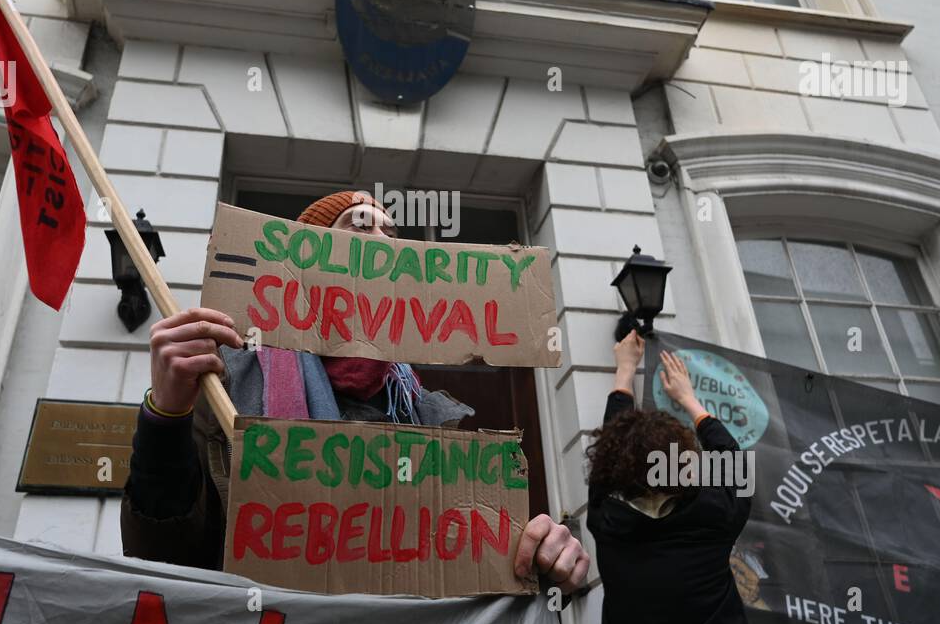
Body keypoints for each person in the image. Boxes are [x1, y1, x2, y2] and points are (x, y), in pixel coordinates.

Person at [120, 190, 589, 596]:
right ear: (303, 267)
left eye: (392, 233)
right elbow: (163, 559)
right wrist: (165, 417)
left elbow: (462, 584)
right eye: (360, 227)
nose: (384, 242)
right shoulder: (223, 386)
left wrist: (543, 560)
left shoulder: (431, 417)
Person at [586, 331, 752, 624]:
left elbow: (608, 460)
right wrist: (690, 401)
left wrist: (624, 370)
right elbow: (735, 465)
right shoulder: (716, 514)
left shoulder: (605, 520)